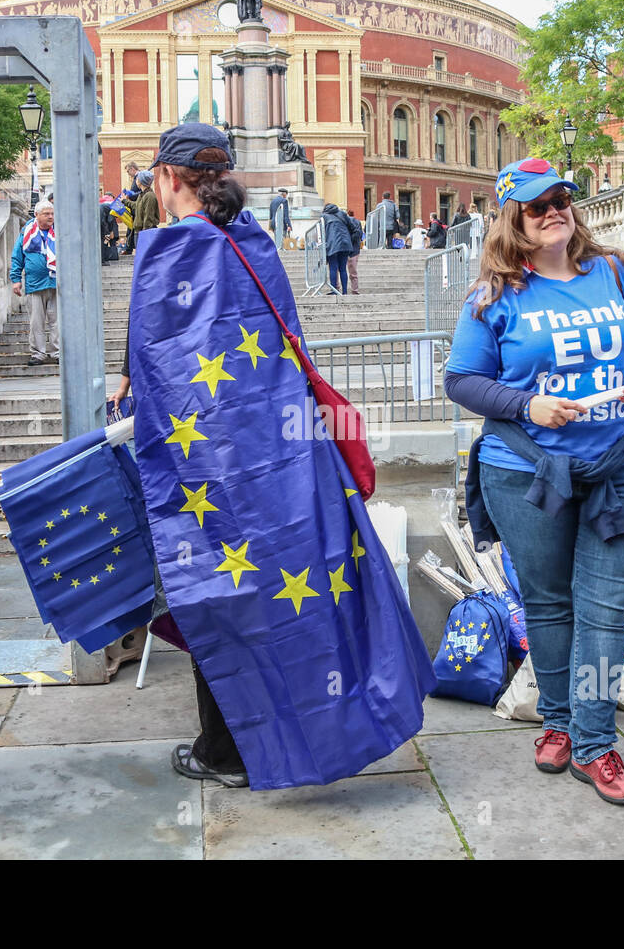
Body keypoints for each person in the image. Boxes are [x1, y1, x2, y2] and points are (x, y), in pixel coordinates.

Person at [114, 122, 432, 789]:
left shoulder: (173, 250)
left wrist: (130, 381)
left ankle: (225, 752)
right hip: (286, 460)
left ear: (169, 179)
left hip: (212, 465)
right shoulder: (252, 240)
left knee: (213, 589)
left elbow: (159, 358)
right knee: (291, 596)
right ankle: (311, 727)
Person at [445, 156, 624, 807]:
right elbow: (461, 380)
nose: (553, 212)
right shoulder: (494, 295)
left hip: (612, 469)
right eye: (537, 205)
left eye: (561, 199)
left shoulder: (614, 275)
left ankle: (595, 744)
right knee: (547, 605)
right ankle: (558, 720)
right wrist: (527, 405)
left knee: (605, 610)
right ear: (514, 219)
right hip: (526, 475)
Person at [11, 201, 58, 367]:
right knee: (36, 322)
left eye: (52, 213)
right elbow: (17, 256)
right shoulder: (27, 232)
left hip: (56, 283)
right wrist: (15, 279)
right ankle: (38, 354)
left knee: (57, 321)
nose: (51, 216)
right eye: (46, 214)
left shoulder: (58, 231)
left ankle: (56, 352)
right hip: (34, 283)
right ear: (37, 215)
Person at [321, 201, 353, 294]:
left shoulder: (324, 216)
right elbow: (351, 225)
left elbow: (320, 231)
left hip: (332, 244)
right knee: (343, 268)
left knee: (333, 268)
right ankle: (345, 291)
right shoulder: (342, 213)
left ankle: (334, 290)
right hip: (345, 243)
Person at [131, 169, 159, 248]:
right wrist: (124, 201)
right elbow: (137, 206)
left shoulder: (149, 196)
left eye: (137, 178)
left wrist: (145, 235)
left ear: (140, 181)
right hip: (139, 232)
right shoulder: (142, 195)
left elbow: (148, 216)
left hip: (144, 233)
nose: (136, 180)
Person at [345, 209, 363, 294]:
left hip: (345, 248)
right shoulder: (357, 222)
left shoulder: (345, 221)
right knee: (353, 271)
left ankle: (338, 288)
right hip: (355, 249)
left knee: (340, 270)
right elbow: (359, 235)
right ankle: (355, 290)